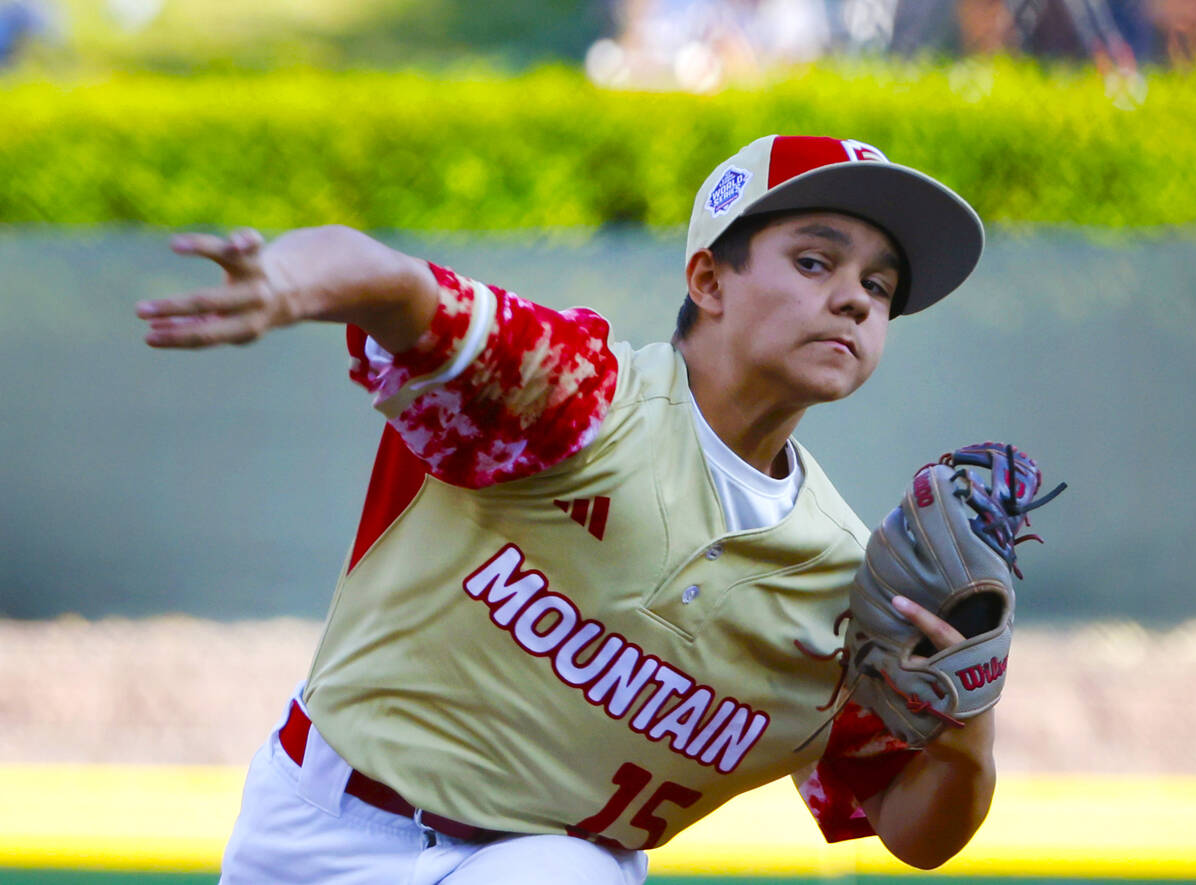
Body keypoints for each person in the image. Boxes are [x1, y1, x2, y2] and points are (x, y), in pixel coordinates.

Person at [136, 134, 991, 883]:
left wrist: (967, 727)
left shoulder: (842, 581)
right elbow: (391, 283)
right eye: (816, 261)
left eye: (879, 287)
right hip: (320, 826)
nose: (854, 299)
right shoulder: (575, 395)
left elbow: (913, 828)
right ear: (707, 278)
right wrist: (287, 279)